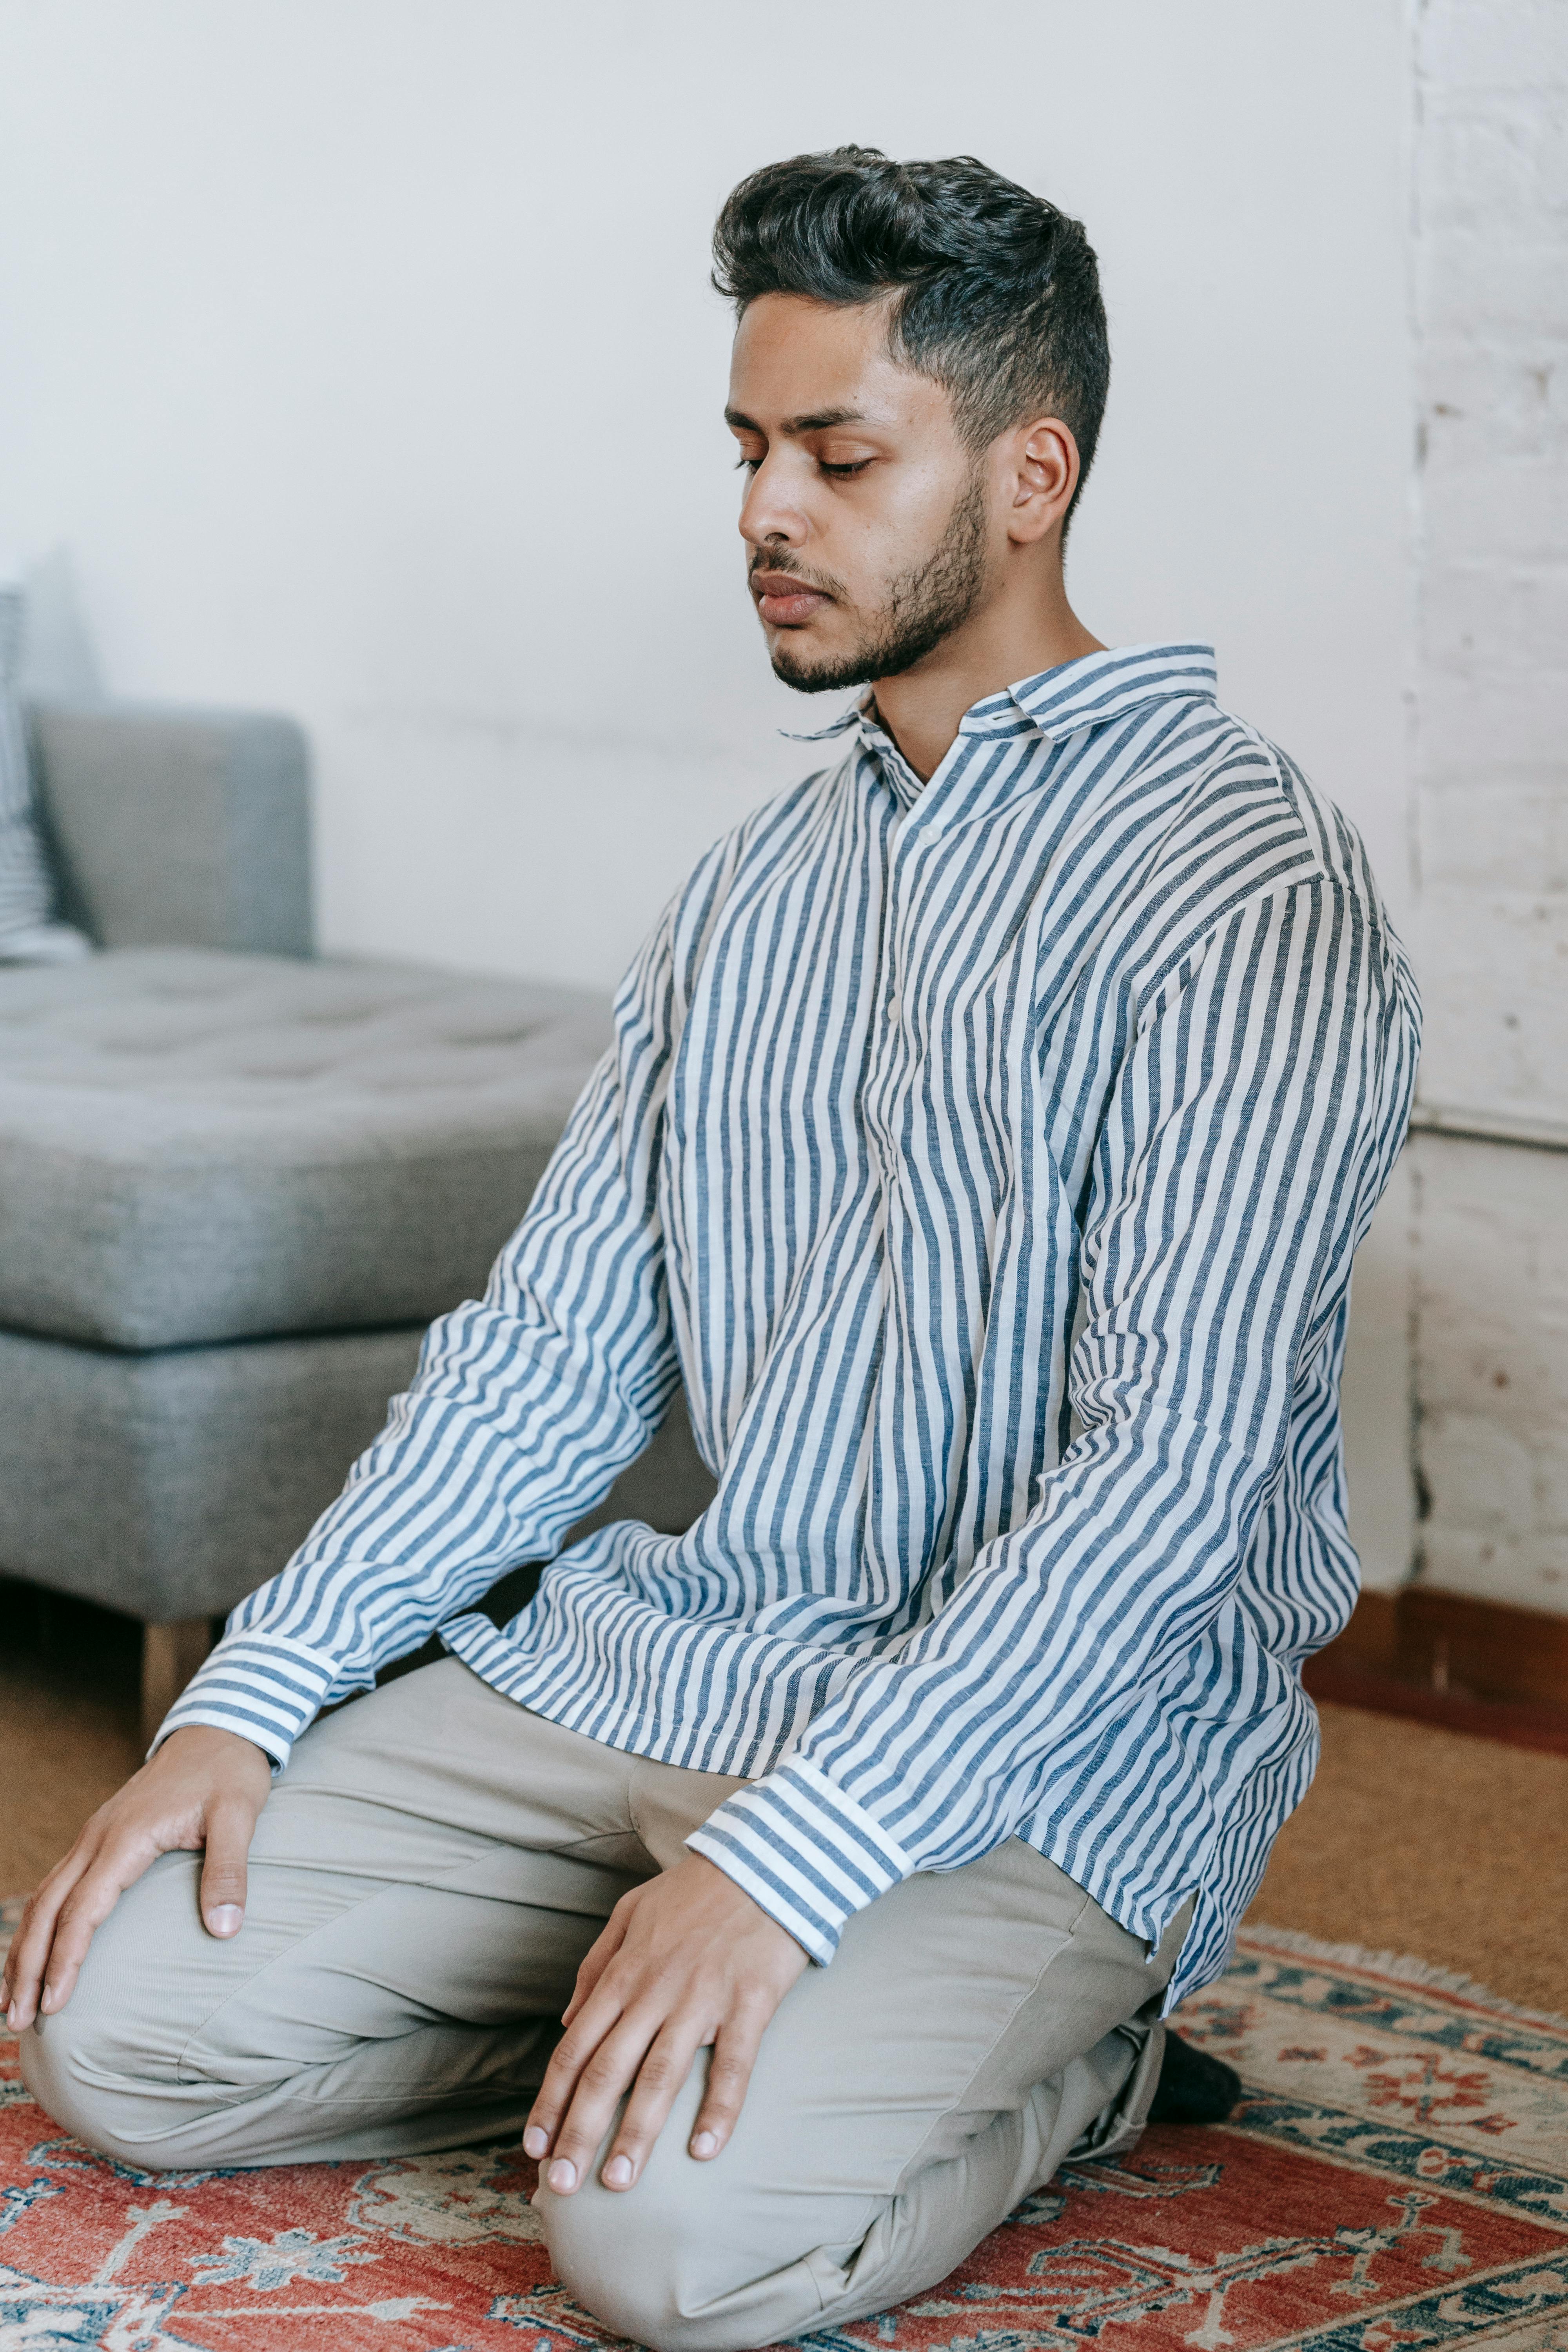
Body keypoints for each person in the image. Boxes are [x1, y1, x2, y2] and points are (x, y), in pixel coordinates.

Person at [7, 147, 1419, 2352]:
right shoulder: (749, 892)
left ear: (1029, 475)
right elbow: (548, 1359)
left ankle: (1081, 2056)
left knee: (675, 2251)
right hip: (667, 1669)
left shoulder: (1247, 889)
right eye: (750, 449)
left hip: (1040, 1748)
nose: (766, 510)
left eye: (839, 456)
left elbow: (1174, 1479)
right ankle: (646, 2005)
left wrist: (797, 1858)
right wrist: (255, 1697)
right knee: (117, 2028)